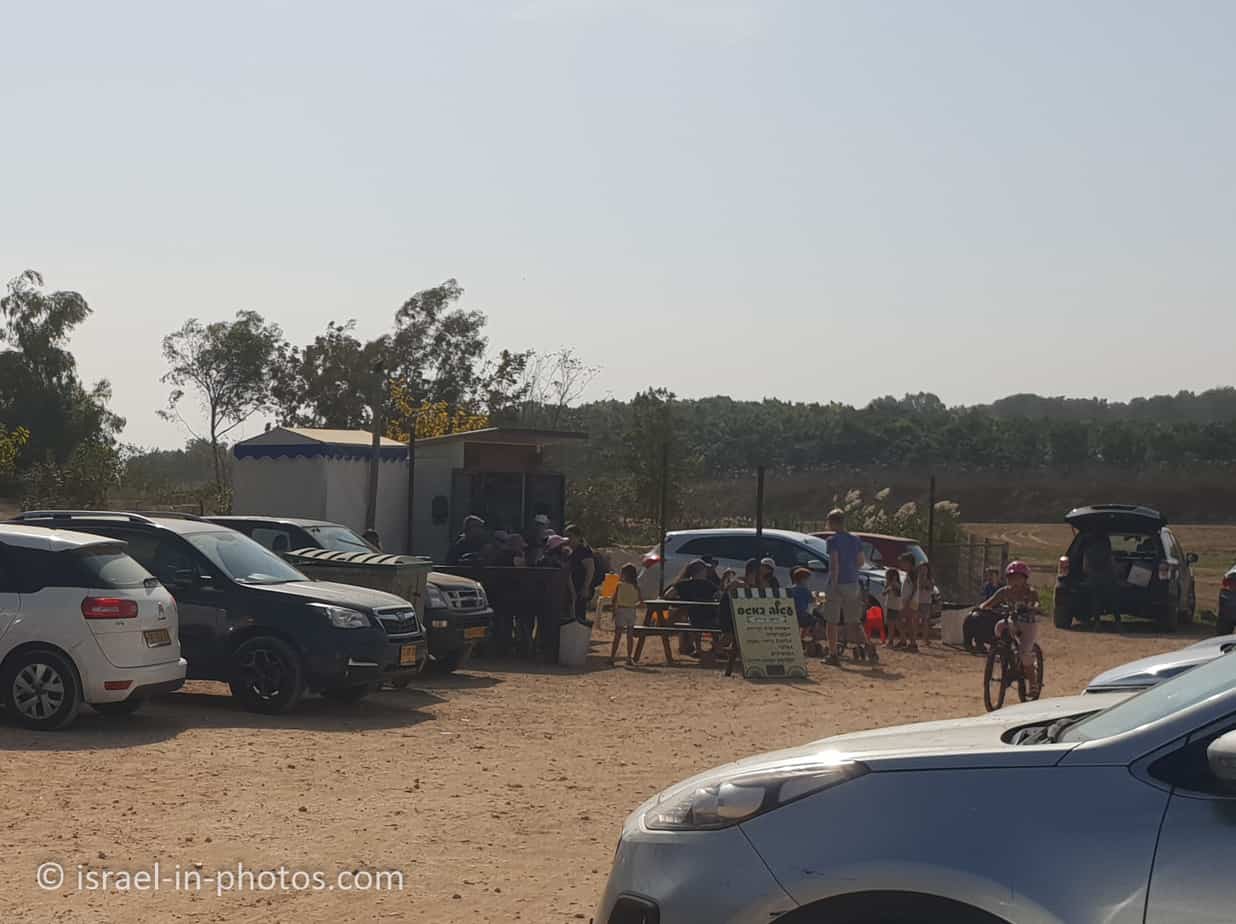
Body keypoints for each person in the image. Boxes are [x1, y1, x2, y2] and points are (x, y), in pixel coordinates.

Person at [979, 560, 1042, 696]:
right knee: (1000, 625)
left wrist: (1031, 608)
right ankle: (1001, 650)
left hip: (1028, 624)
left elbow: (1036, 604)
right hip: (1012, 621)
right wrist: (980, 608)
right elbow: (989, 602)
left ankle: (1033, 684)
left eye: (1017, 578)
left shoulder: (1030, 592)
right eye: (1011, 578)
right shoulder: (1004, 592)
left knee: (1025, 653)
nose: (1014, 581)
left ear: (1025, 579)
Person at [822, 509, 869, 665]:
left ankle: (833, 653)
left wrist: (834, 584)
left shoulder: (832, 540)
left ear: (833, 522)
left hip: (838, 582)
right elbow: (861, 561)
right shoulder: (856, 540)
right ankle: (868, 647)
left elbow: (834, 563)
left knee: (832, 621)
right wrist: (851, 568)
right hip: (853, 582)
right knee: (854, 619)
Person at [665, 559, 721, 656]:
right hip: (711, 619)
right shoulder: (708, 584)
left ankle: (698, 649)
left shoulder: (683, 584)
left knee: (695, 620)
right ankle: (718, 649)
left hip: (694, 619)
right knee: (713, 619)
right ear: (701, 571)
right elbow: (720, 596)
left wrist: (680, 599)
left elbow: (668, 595)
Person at [564, 524, 596, 626]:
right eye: (566, 536)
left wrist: (585, 587)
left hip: (580, 588)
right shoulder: (570, 551)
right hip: (572, 588)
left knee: (579, 616)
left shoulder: (584, 551)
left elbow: (590, 569)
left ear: (578, 537)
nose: (567, 539)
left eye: (570, 536)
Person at [610, 564, 641, 665]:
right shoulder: (636, 587)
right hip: (631, 611)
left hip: (621, 610)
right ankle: (629, 657)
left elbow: (614, 600)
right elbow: (641, 601)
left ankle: (612, 657)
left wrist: (613, 611)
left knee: (617, 635)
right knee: (630, 636)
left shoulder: (619, 585)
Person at [898, 552, 921, 652]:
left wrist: (909, 600)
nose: (902, 565)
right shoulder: (908, 573)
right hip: (906, 600)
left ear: (909, 563)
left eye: (904, 562)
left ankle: (912, 644)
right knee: (905, 621)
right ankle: (906, 641)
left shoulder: (913, 573)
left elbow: (915, 587)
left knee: (908, 622)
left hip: (910, 601)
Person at [790, 567, 816, 651]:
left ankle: (797, 638)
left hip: (791, 616)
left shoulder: (790, 590)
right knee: (813, 621)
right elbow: (811, 606)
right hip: (802, 616)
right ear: (803, 580)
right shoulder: (806, 591)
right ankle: (802, 637)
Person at [881, 568, 902, 649]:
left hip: (894, 606)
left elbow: (898, 594)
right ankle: (891, 641)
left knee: (892, 625)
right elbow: (884, 593)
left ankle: (891, 642)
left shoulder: (895, 584)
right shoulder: (890, 584)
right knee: (892, 624)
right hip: (891, 606)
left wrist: (891, 587)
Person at [916, 561, 935, 647]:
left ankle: (925, 639)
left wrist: (924, 581)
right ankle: (915, 638)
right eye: (922, 569)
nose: (923, 570)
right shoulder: (917, 578)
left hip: (926, 602)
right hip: (917, 601)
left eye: (925, 569)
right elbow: (918, 587)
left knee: (925, 621)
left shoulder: (930, 579)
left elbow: (930, 587)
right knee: (916, 620)